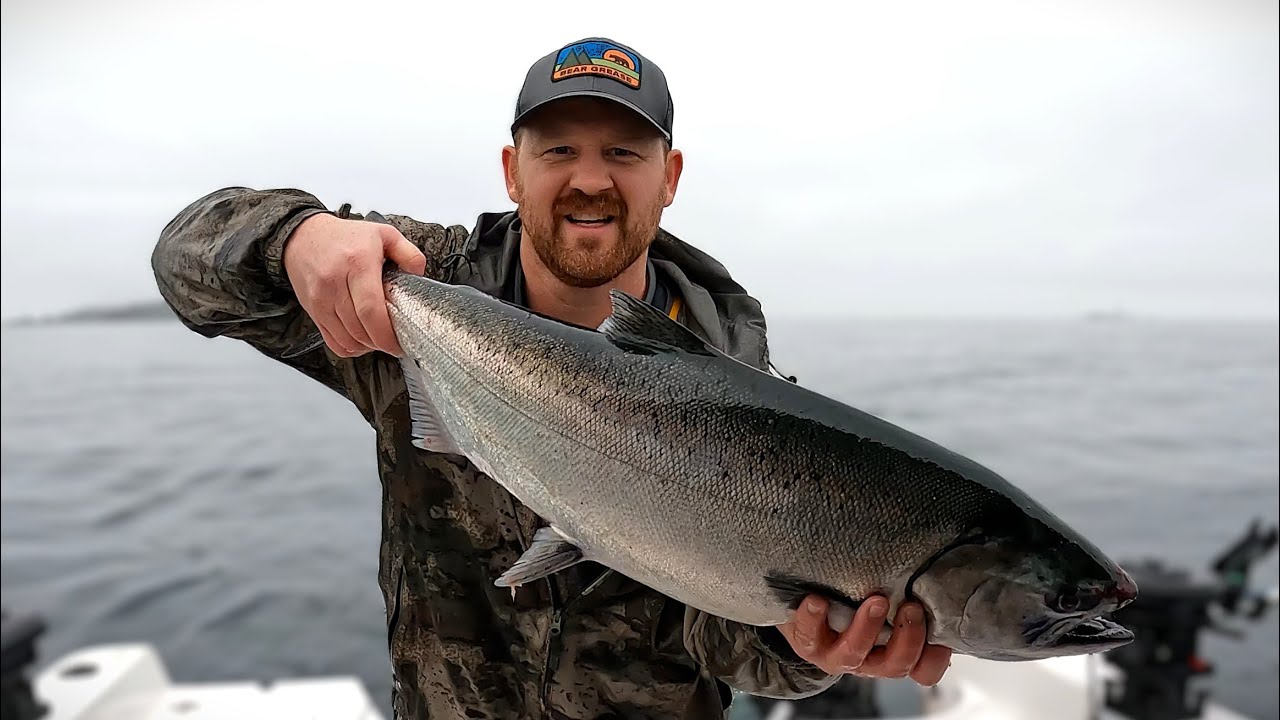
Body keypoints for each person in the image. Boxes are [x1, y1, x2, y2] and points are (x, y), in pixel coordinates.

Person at [151, 36, 951, 720]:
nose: (590, 179)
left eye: (623, 153)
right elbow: (188, 268)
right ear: (512, 169)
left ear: (669, 177)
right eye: (558, 149)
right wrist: (296, 235)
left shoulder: (741, 394)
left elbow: (731, 650)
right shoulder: (417, 285)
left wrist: (817, 649)